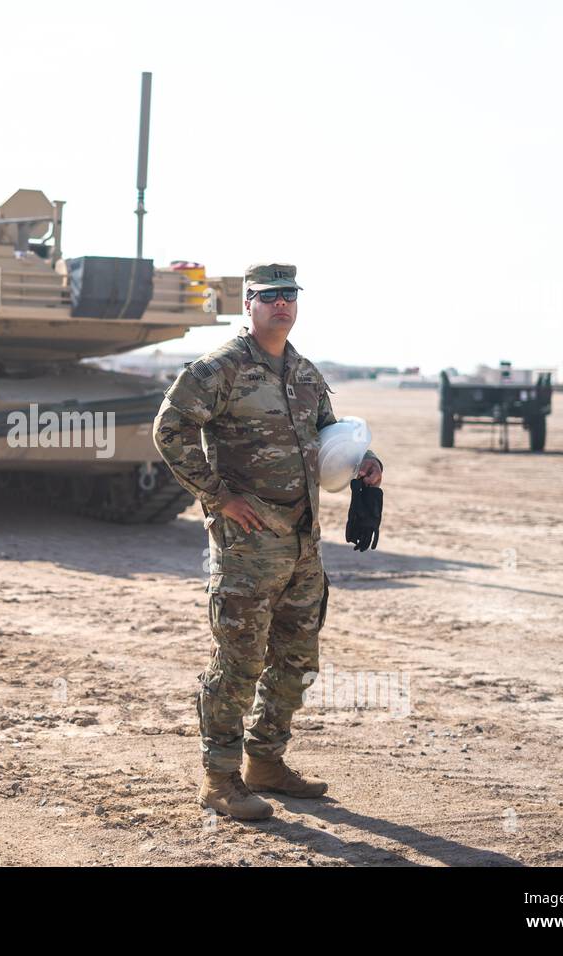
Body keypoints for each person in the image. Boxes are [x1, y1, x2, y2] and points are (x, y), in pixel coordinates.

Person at [153, 263, 383, 821]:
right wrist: (217, 496)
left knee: (299, 658)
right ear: (249, 304)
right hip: (248, 542)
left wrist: (365, 464)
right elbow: (170, 429)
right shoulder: (221, 369)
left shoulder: (305, 372)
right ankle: (220, 778)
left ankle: (266, 761)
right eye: (269, 296)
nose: (281, 304)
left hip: (303, 541)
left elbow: (330, 439)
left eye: (289, 296)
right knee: (238, 662)